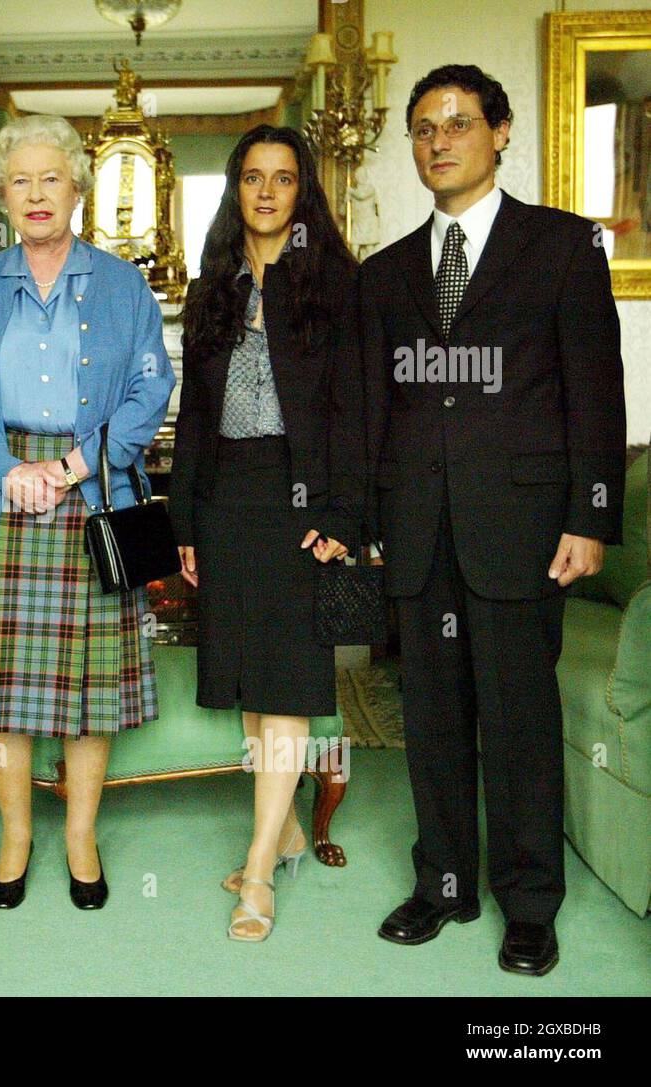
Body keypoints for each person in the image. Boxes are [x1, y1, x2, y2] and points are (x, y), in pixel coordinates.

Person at [361, 65, 626, 975]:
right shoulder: (388, 272)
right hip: (420, 531)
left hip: (522, 527)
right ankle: (442, 884)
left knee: (517, 721)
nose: (439, 140)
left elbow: (596, 391)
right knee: (430, 719)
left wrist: (591, 514)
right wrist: (369, 515)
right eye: (424, 128)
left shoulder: (561, 247)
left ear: (501, 131)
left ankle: (529, 904)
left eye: (459, 123)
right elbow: (379, 407)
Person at [0, 114, 175, 911]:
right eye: (20, 180)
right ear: (2, 192)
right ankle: (16, 834)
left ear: (78, 188)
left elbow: (149, 388)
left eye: (52, 179)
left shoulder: (122, 283)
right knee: (1, 687)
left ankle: (79, 833)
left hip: (90, 489)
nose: (36, 194)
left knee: (89, 687)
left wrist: (72, 466)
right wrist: (4, 469)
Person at [169, 125, 363, 941]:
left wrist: (344, 515)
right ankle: (282, 829)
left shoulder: (335, 287)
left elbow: (359, 413)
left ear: (303, 191)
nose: (267, 192)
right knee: (252, 686)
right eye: (253, 177)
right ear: (235, 189)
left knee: (284, 684)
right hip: (224, 499)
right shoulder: (210, 290)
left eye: (284, 179)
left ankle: (258, 873)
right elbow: (193, 422)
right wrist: (184, 519)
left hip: (299, 498)